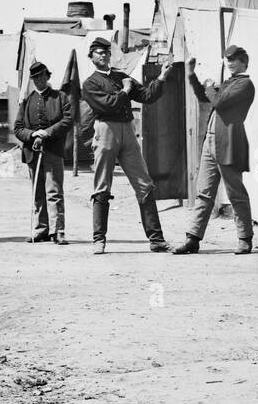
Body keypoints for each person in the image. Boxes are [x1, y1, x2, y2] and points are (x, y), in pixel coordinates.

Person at [81, 35, 174, 254]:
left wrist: (161, 78)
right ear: (91, 57)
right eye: (98, 52)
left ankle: (157, 239)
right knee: (102, 186)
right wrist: (124, 90)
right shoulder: (90, 83)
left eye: (106, 52)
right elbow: (109, 105)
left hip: (127, 132)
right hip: (105, 131)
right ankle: (98, 239)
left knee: (144, 184)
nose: (103, 55)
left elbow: (147, 96)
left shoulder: (122, 76)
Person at [174, 45, 256, 255]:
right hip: (210, 142)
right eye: (227, 60)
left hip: (228, 142)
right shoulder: (230, 82)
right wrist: (192, 76)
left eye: (234, 60)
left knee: (235, 193)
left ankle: (245, 238)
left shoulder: (245, 84)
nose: (229, 63)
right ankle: (193, 238)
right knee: (204, 193)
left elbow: (218, 102)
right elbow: (205, 98)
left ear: (244, 62)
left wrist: (211, 87)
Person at [14, 60, 73, 244]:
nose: (39, 80)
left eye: (41, 76)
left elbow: (68, 120)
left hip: (53, 151)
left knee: (54, 192)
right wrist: (33, 135)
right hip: (33, 153)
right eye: (35, 78)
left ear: (47, 76)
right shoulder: (27, 101)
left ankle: (58, 231)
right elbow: (17, 128)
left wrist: (47, 133)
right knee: (38, 193)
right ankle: (41, 229)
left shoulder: (60, 97)